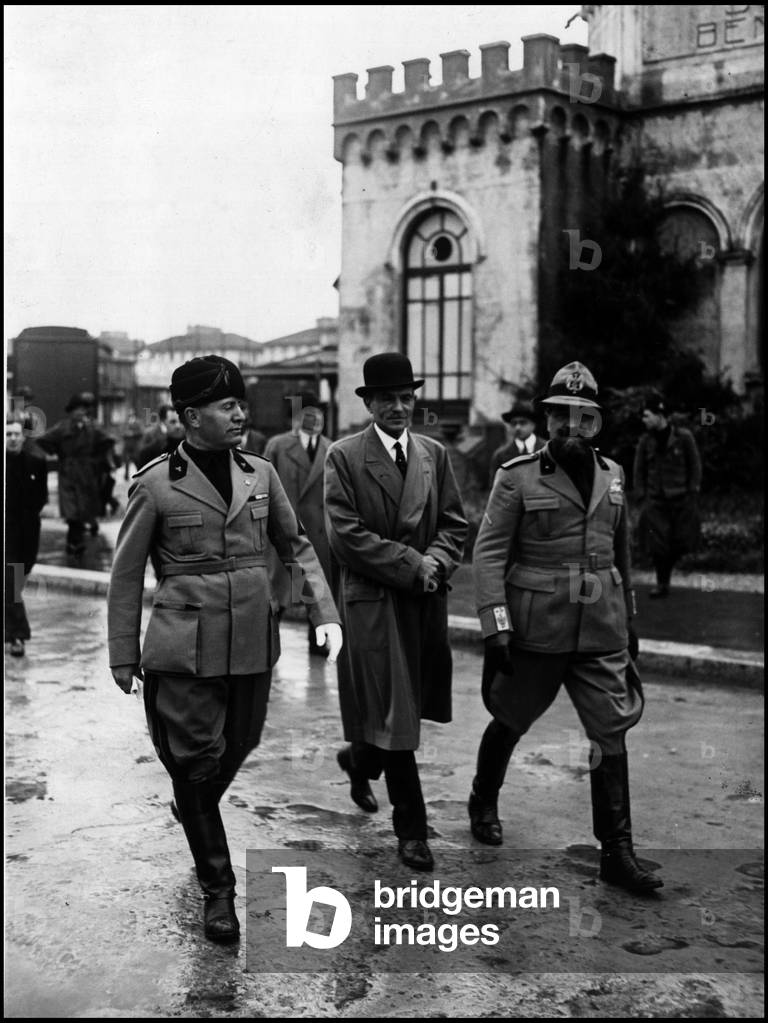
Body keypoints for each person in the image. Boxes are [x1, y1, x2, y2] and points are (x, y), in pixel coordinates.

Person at [107, 355, 341, 943]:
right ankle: (219, 891)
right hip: (182, 647)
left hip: (251, 642)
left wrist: (324, 613)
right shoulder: (156, 483)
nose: (241, 414)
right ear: (190, 416)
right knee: (194, 760)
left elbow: (298, 546)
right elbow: (126, 574)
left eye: (241, 404)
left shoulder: (260, 473)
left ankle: (194, 804)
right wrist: (122, 653)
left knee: (242, 740)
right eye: (226, 406)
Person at [470, 361, 662, 894]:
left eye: (583, 419)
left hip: (600, 627)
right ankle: (483, 798)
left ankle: (617, 852)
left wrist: (630, 620)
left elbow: (622, 553)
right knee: (511, 716)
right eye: (561, 417)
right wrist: (496, 627)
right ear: (547, 420)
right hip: (537, 628)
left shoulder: (614, 475)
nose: (571, 429)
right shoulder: (516, 476)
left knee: (611, 730)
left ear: (596, 424)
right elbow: (488, 556)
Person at [325, 353, 467, 871]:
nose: (399, 407)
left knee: (395, 709)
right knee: (399, 712)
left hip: (423, 601)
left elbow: (455, 523)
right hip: (374, 602)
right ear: (369, 403)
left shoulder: (433, 454)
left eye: (407, 398)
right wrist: (413, 563)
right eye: (388, 399)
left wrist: (437, 560)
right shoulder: (344, 457)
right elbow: (345, 536)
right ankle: (412, 831)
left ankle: (357, 758)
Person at [264, 392, 335, 654]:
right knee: (277, 597)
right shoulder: (278, 446)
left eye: (318, 414)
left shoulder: (331, 449)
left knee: (314, 593)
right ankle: (267, 649)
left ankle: (317, 644)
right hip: (283, 535)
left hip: (318, 537)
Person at [633, 393, 702, 598]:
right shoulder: (646, 441)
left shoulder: (684, 438)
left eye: (647, 415)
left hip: (681, 498)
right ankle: (662, 583)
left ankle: (667, 575)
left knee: (682, 542)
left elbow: (695, 466)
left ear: (659, 415)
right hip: (656, 500)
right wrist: (641, 495)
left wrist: (693, 491)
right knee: (657, 545)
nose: (644, 420)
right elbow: (639, 469)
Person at [36, 392, 114, 557]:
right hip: (69, 473)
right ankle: (74, 543)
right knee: (72, 510)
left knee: (84, 508)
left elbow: (108, 440)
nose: (81, 413)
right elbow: (42, 440)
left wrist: (95, 459)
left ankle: (74, 543)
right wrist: (58, 453)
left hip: (86, 473)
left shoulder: (91, 428)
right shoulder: (62, 427)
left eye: (84, 410)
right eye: (78, 409)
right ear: (71, 412)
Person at [5, 416, 48, 657]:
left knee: (15, 582)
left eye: (15, 434)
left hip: (27, 531)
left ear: (23, 436)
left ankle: (9, 627)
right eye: (7, 434)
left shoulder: (36, 463)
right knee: (10, 582)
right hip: (5, 531)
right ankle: (17, 636)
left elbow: (40, 499)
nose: (12, 439)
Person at [488, 401, 545, 484]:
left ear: (533, 425)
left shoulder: (547, 450)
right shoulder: (500, 456)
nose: (517, 427)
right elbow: (495, 489)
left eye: (523, 423)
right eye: (514, 423)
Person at [134, 403, 184, 469]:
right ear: (163, 421)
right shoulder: (150, 434)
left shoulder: (183, 436)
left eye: (180, 421)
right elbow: (141, 457)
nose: (178, 426)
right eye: (173, 422)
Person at [120, 411, 144, 479]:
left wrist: (133, 433)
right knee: (126, 462)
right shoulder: (126, 423)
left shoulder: (138, 423)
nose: (130, 417)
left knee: (137, 461)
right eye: (129, 416)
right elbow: (122, 432)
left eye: (132, 416)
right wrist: (126, 434)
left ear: (134, 416)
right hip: (127, 446)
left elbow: (141, 432)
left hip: (135, 446)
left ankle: (139, 474)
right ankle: (126, 476)